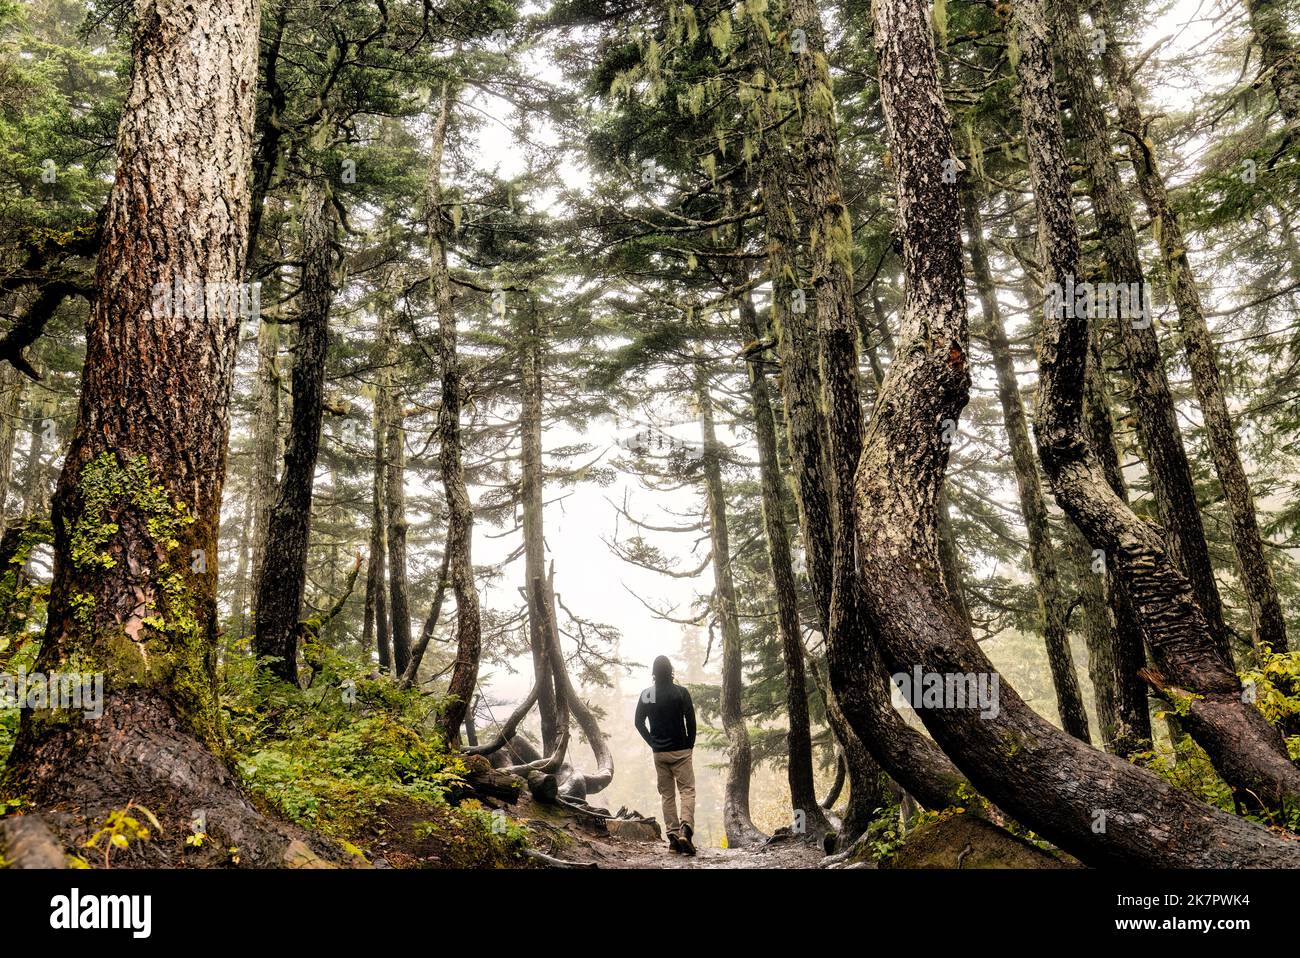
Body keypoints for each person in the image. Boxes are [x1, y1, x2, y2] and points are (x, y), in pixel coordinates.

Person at [633, 655, 697, 855]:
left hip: (659, 753)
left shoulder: (647, 694)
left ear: (654, 672)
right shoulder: (680, 692)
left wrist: (652, 742)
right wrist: (690, 743)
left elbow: (638, 722)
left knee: (667, 795)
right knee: (687, 791)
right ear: (671, 671)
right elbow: (691, 721)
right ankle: (686, 830)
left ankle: (673, 839)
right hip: (681, 750)